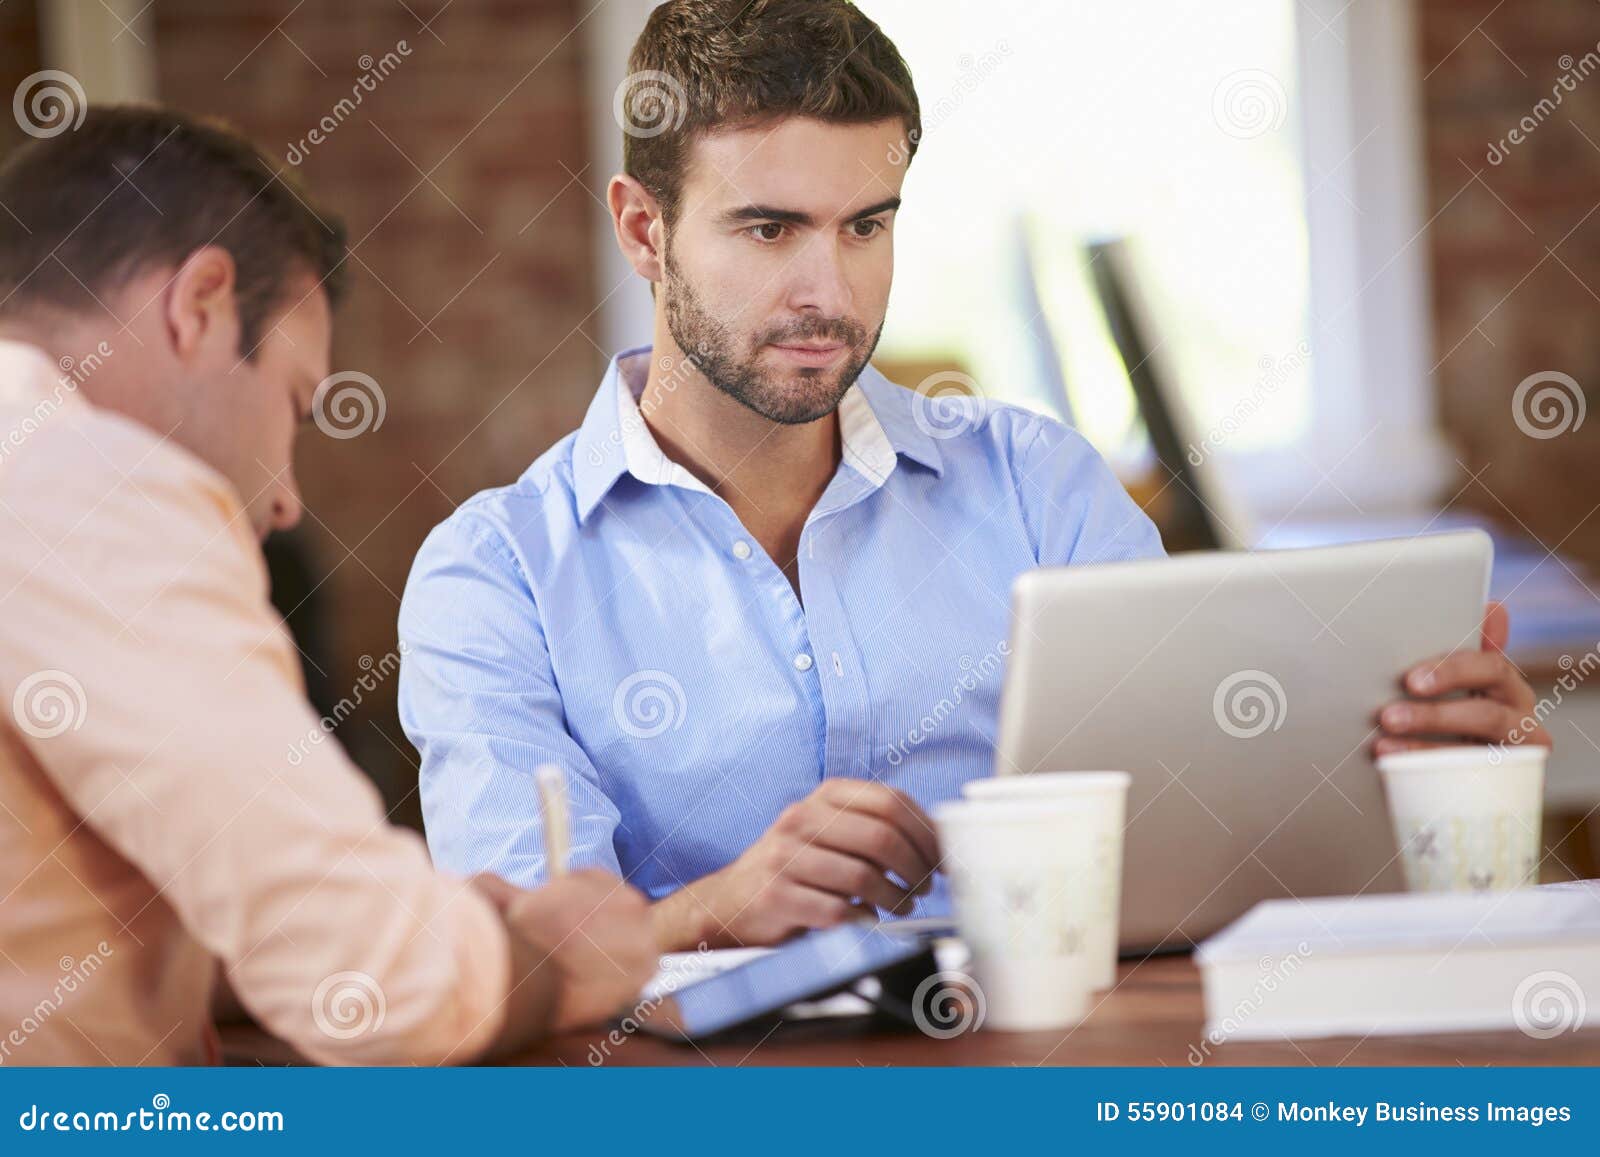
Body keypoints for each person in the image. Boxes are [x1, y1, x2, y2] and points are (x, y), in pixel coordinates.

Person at [398, 0, 1551, 955]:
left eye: (865, 226)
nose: (828, 292)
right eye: (767, 230)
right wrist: (715, 908)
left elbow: (1222, 850)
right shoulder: (495, 575)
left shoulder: (1036, 485)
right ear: (643, 231)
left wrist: (1424, 790)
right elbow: (516, 962)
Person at [0, 106, 655, 1066]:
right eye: (296, 406)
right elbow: (376, 988)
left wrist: (430, 922)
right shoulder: (75, 476)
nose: (283, 501)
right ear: (202, 306)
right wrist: (557, 959)